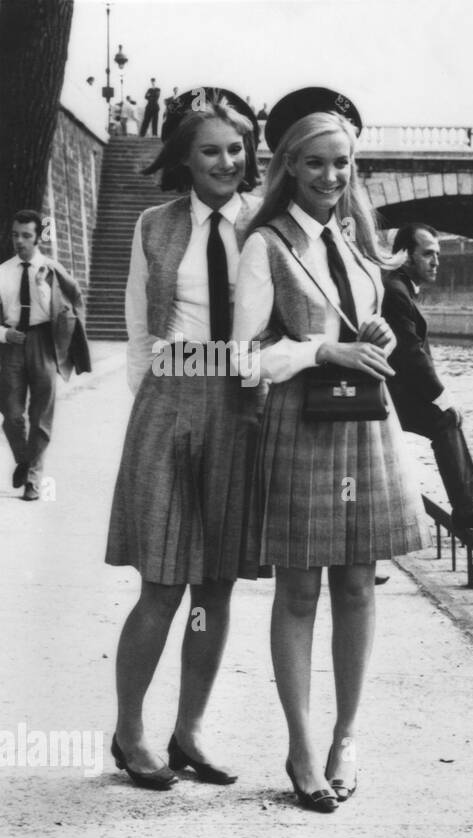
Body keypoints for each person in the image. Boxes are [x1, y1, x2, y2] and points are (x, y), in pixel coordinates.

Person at [233, 88, 425, 813]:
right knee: (300, 590)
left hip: (364, 427)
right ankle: (302, 743)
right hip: (303, 426)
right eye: (314, 164)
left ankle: (347, 736)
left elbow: (365, 327)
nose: (330, 176)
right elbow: (241, 359)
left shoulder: (356, 246)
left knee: (356, 584)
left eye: (342, 163)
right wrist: (323, 350)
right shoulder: (267, 244)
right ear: (288, 166)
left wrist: (374, 339)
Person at [105, 88, 264, 791]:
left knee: (217, 584)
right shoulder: (152, 226)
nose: (225, 161)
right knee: (162, 583)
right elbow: (139, 330)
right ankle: (131, 731)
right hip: (171, 399)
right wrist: (160, 400)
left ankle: (189, 731)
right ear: (184, 158)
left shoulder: (266, 224)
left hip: (242, 406)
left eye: (236, 149)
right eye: (210, 151)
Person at [383, 223, 473, 530]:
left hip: (392, 392)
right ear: (405, 255)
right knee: (445, 417)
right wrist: (443, 398)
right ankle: (466, 508)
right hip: (385, 398)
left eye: (437, 254)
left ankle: (470, 499)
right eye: (427, 254)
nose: (436, 261)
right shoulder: (396, 293)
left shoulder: (397, 288)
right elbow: (411, 356)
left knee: (446, 416)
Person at [0, 210, 90, 501]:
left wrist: (44, 292)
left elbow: (73, 303)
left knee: (42, 413)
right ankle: (25, 461)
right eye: (15, 235)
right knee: (12, 415)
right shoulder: (2, 272)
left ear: (39, 237)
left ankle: (33, 480)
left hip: (43, 342)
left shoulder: (52, 270)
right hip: (13, 342)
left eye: (26, 235)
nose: (20, 241)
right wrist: (3, 334)